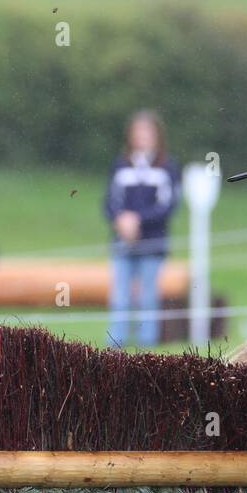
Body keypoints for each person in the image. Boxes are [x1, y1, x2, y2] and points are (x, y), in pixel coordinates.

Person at [104, 110, 181, 348]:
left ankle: (146, 348)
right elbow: (110, 200)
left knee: (148, 296)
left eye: (147, 131)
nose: (142, 136)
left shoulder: (167, 166)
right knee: (120, 296)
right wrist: (121, 220)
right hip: (122, 243)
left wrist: (138, 220)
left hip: (152, 243)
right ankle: (115, 347)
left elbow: (167, 205)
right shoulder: (121, 164)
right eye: (138, 131)